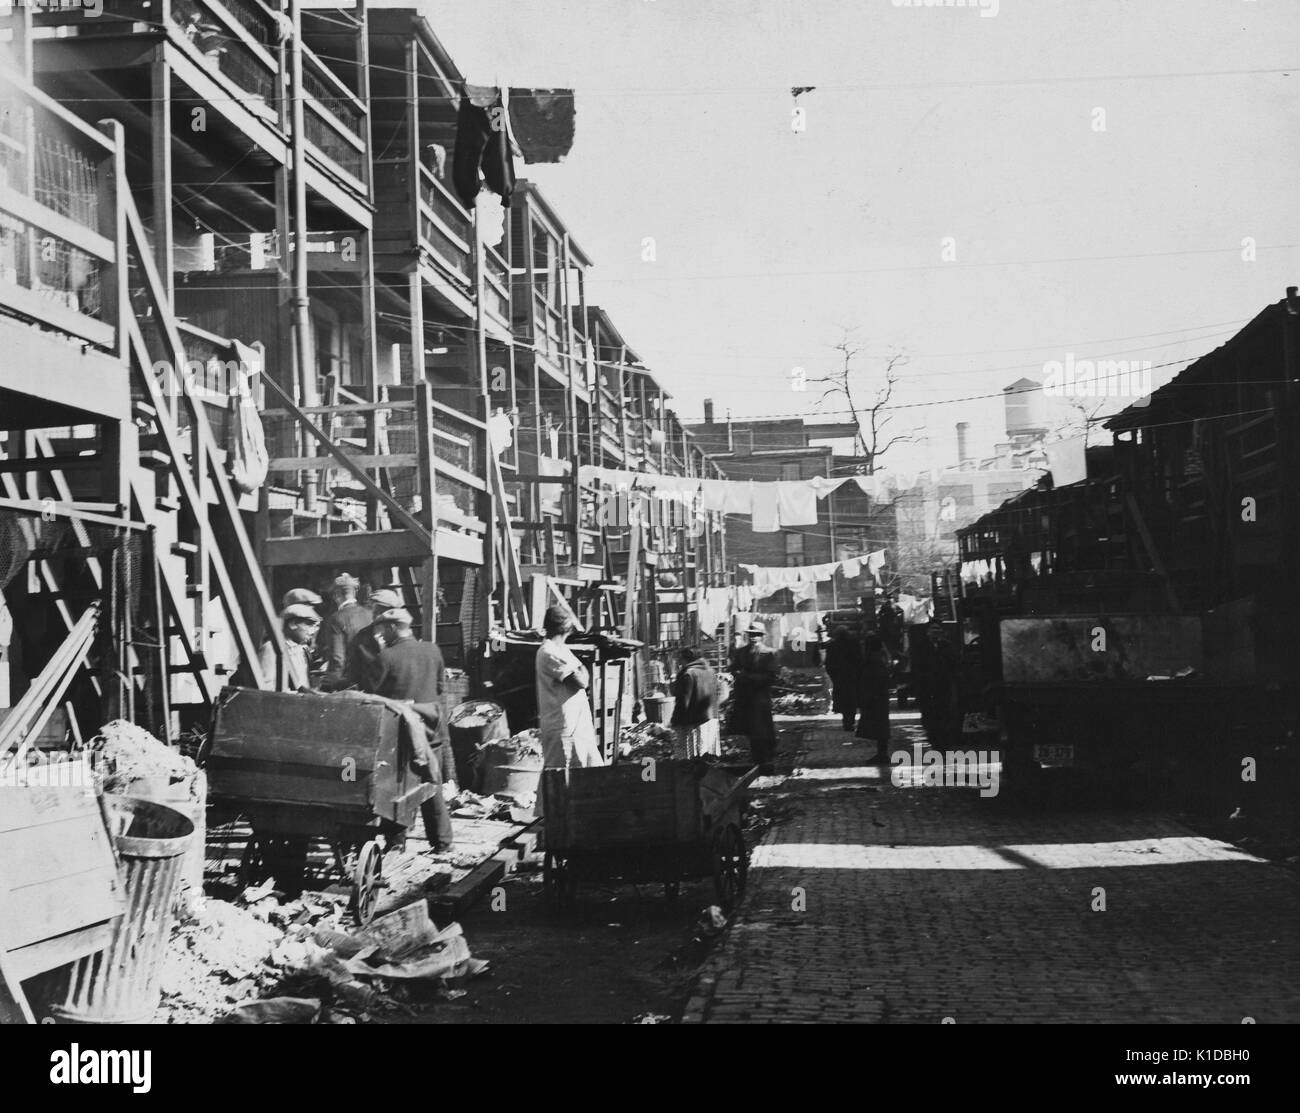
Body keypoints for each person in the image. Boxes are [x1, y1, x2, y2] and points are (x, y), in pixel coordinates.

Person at [367, 607, 455, 853]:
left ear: (393, 628)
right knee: (431, 782)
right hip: (431, 727)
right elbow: (439, 687)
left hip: (400, 732)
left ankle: (396, 843)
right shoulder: (432, 649)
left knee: (396, 785)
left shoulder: (386, 657)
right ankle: (443, 842)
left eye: (383, 628)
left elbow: (371, 696)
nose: (381, 634)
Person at [535, 605, 604, 771]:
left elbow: (584, 672)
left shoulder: (562, 649)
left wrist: (581, 673)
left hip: (577, 726)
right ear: (566, 627)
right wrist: (581, 673)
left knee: (588, 773)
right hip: (563, 728)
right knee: (561, 780)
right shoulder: (548, 651)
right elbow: (581, 681)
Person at [729, 622, 779, 773]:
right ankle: (757, 759)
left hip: (760, 697)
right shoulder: (740, 652)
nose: (753, 637)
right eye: (751, 634)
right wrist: (736, 673)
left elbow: (772, 677)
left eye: (757, 635)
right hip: (744, 697)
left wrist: (748, 677)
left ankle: (765, 759)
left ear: (762, 636)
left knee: (762, 729)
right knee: (749, 729)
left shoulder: (769, 653)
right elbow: (733, 668)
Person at [338, 588, 403, 691]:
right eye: (374, 610)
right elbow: (353, 672)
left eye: (381, 611)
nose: (376, 615)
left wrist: (384, 651)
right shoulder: (362, 637)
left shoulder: (402, 636)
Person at [316, 574, 373, 690]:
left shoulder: (336, 618)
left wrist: (328, 686)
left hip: (349, 681)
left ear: (336, 595)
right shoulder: (370, 613)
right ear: (354, 592)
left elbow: (338, 658)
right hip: (370, 678)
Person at [670, 645, 721, 758]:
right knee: (708, 755)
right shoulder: (711, 671)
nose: (678, 661)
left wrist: (675, 720)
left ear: (686, 659)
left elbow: (683, 702)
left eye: (680, 658)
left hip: (693, 723)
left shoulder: (689, 674)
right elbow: (717, 692)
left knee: (692, 757)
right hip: (711, 719)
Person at [258, 603, 319, 692]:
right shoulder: (272, 648)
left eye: (314, 626)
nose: (313, 631)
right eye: (309, 625)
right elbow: (264, 690)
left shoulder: (302, 650)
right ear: (292, 624)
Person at [856, 633, 893, 760]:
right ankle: (882, 752)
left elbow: (871, 679)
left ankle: (882, 754)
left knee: (879, 725)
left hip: (875, 697)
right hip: (880, 697)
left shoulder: (872, 660)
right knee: (881, 724)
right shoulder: (880, 658)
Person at [823, 625, 863, 732]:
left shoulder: (832, 645)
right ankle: (850, 722)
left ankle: (847, 722)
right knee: (852, 701)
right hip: (852, 677)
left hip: (840, 677)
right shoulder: (854, 643)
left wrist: (834, 676)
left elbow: (828, 663)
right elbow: (859, 659)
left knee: (844, 701)